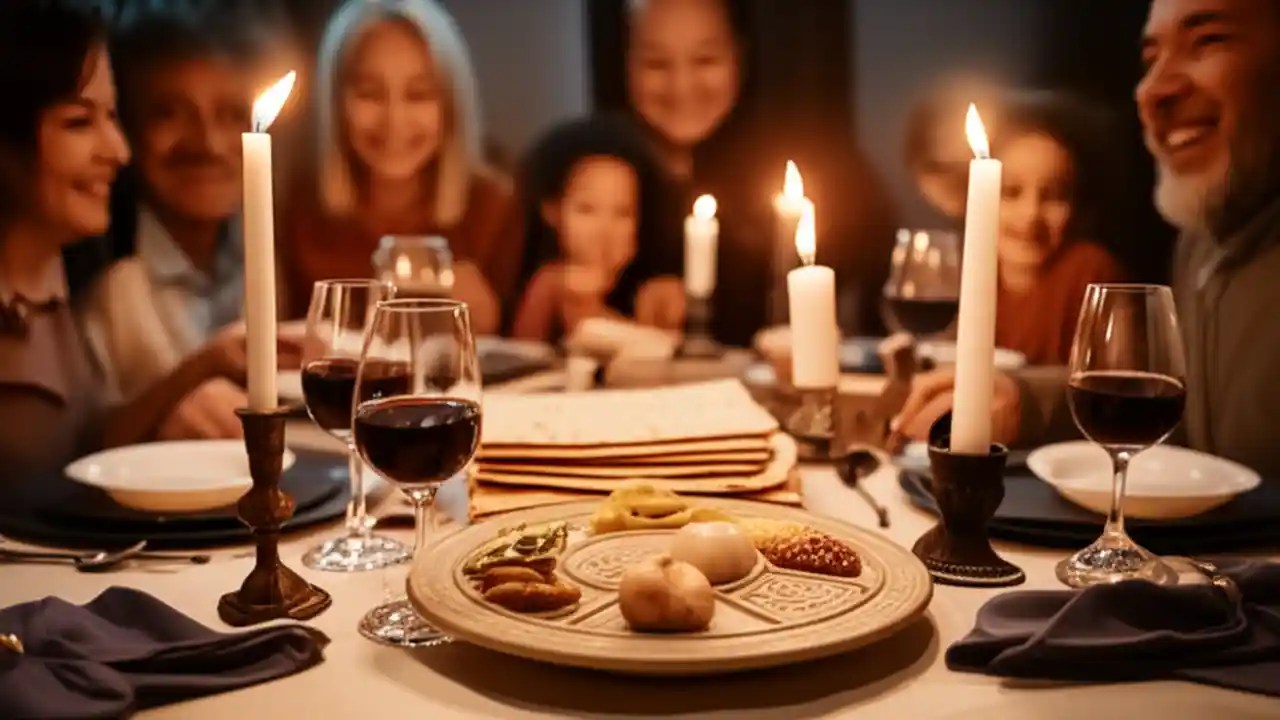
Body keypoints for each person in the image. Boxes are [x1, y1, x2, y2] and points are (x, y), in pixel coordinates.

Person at [894, 0, 1280, 478]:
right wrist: (1022, 399)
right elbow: (1181, 414)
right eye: (1151, 57)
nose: (1151, 89)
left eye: (1209, 40)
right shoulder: (1201, 245)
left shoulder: (1094, 271)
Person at [0, 1, 262, 479]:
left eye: (112, 117)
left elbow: (83, 446)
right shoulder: (105, 282)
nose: (118, 152)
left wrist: (203, 366)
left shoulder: (49, 276)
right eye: (79, 122)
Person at [622, 0, 897, 346]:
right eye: (656, 63)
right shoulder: (599, 164)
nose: (682, 86)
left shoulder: (809, 158)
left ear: (740, 56)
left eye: (705, 60)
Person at [282, 0, 511, 333]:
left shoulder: (493, 207)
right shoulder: (295, 205)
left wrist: (488, 324)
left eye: (419, 95)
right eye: (369, 93)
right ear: (335, 103)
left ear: (451, 105)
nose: (395, 121)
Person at [78, 11, 260, 409]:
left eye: (230, 114)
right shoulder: (104, 289)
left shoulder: (266, 257)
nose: (207, 143)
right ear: (125, 127)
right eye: (170, 112)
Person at [511, 117, 682, 341]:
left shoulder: (646, 290)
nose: (605, 229)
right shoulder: (551, 282)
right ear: (552, 211)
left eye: (622, 213)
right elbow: (524, 349)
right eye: (586, 210)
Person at [990, 91, 1128, 365]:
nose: (1031, 215)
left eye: (1053, 196)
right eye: (1011, 192)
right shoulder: (966, 272)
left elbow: (1114, 381)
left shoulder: (1092, 273)